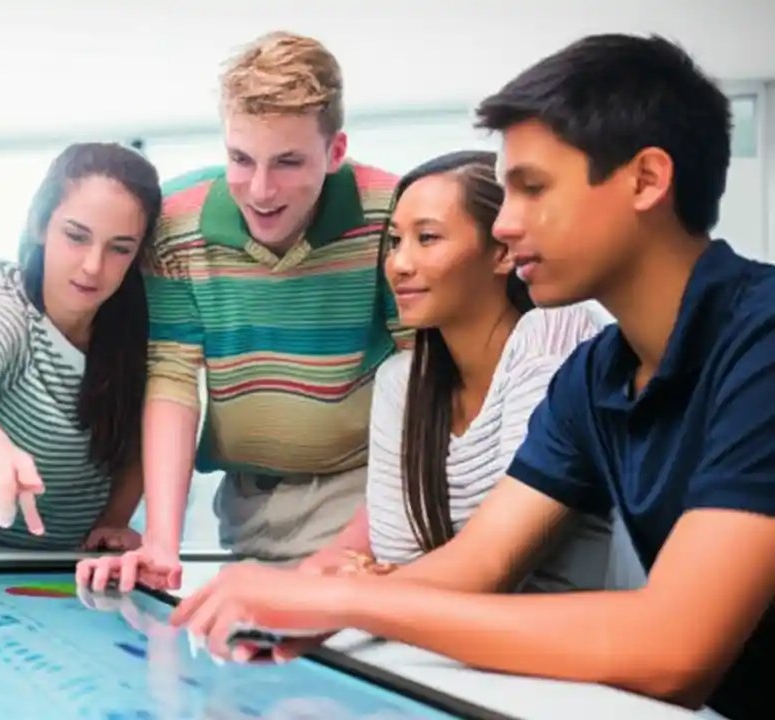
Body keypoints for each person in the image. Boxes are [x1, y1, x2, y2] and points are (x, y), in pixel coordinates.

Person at [168, 34, 774, 720]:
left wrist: (343, 598)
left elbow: (675, 649)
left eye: (532, 189)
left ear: (646, 180)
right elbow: (476, 565)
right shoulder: (594, 377)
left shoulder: (763, 339)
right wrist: (315, 603)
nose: (506, 225)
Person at [77, 31, 405, 590]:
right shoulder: (176, 225)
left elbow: (421, 378)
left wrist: (372, 535)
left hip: (365, 499)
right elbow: (174, 381)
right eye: (240, 158)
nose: (259, 190)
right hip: (248, 508)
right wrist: (161, 541)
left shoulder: (394, 213)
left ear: (336, 152)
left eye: (288, 162)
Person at [298, 150, 612, 592]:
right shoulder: (401, 384)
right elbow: (397, 552)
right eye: (394, 241)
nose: (399, 264)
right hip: (445, 640)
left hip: (560, 644)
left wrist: (371, 587)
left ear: (503, 251)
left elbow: (500, 562)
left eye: (427, 238)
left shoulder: (553, 333)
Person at [0, 142, 159, 550]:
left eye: (120, 248)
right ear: (40, 225)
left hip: (83, 556)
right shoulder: (6, 301)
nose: (93, 266)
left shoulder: (142, 323)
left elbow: (144, 439)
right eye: (76, 236)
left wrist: (114, 522)